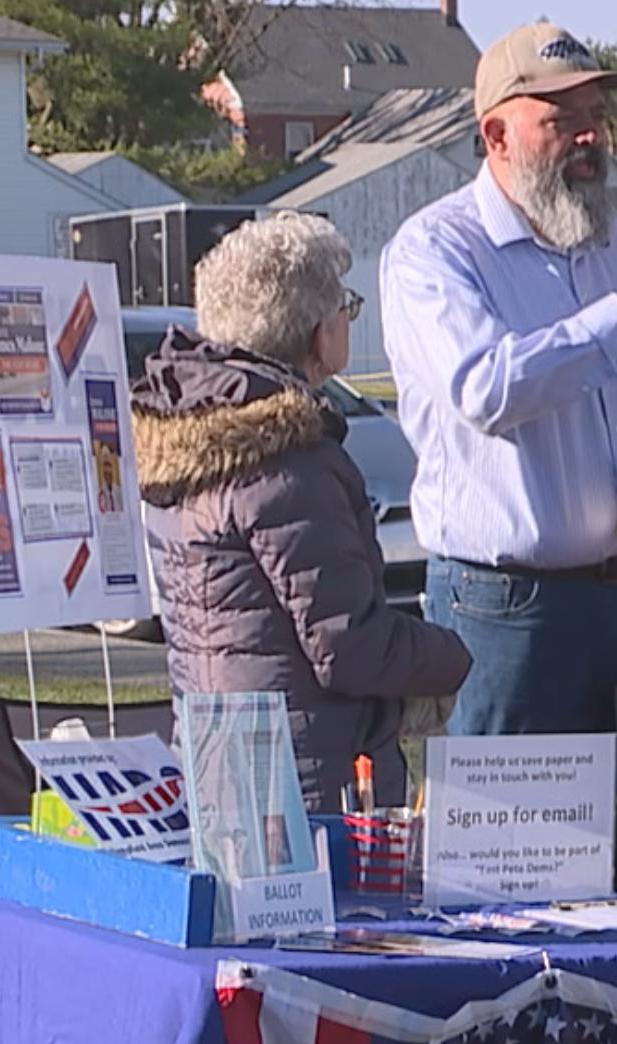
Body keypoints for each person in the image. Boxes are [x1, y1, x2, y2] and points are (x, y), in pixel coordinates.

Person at [380, 22, 617, 737]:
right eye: (562, 120)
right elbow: (488, 390)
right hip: (509, 611)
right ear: (496, 136)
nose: (591, 139)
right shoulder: (435, 253)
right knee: (519, 838)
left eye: (598, 118)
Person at [132, 212, 472, 811]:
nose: (349, 318)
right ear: (320, 332)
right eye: (347, 306)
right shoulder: (288, 461)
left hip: (222, 766)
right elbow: (348, 646)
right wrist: (454, 655)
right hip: (307, 789)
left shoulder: (193, 434)